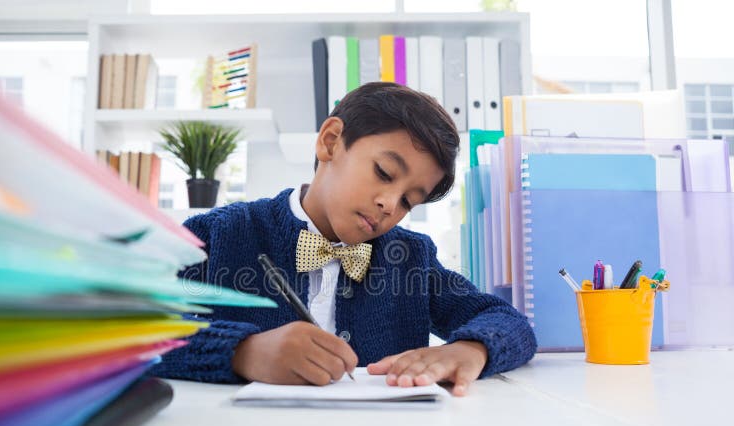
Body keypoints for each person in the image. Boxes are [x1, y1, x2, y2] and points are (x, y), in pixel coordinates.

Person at [151, 82, 536, 396]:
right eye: (384, 173)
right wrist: (241, 351)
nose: (390, 204)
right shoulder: (220, 234)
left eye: (408, 201)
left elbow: (510, 322)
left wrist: (472, 349)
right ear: (331, 141)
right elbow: (131, 328)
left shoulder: (410, 258)